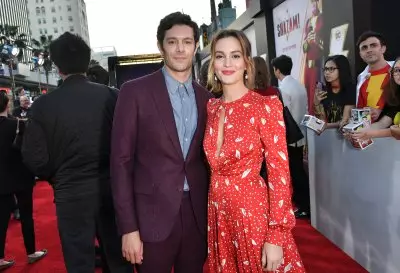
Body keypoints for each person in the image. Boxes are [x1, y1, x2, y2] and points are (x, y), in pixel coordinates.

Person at [21, 32, 132, 273]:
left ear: (58, 67)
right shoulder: (112, 96)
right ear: (86, 60)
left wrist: (58, 178)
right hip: (111, 189)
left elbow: (34, 158)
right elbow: (128, 145)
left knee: (79, 263)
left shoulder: (41, 107)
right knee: (118, 258)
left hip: (70, 194)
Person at [111, 12, 212, 273]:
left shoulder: (208, 99)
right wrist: (129, 228)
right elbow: (120, 163)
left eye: (187, 42)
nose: (180, 49)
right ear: (161, 46)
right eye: (172, 42)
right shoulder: (134, 92)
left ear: (196, 46)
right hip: (150, 218)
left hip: (197, 216)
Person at [204, 29, 304, 273]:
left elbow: (280, 173)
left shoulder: (265, 106)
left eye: (235, 56)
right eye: (220, 56)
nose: (227, 63)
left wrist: (276, 235)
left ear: (247, 63)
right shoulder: (212, 107)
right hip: (219, 212)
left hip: (253, 215)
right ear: (213, 64)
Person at [0, 92, 47, 271]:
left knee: (1, 219)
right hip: (22, 176)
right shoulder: (19, 124)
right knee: (27, 216)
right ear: (7, 104)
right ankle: (31, 252)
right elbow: (31, 148)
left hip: (1, 179)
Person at [271, 55, 310, 218]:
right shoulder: (299, 85)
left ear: (276, 70)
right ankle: (304, 204)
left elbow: (283, 116)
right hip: (301, 133)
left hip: (290, 136)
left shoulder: (283, 89)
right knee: (297, 170)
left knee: (296, 172)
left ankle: (304, 205)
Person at [353, 57, 400, 141]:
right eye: (396, 70)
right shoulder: (395, 96)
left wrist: (368, 134)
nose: (399, 73)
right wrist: (357, 131)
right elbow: (383, 123)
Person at [356, 31, 394, 121]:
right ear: (360, 54)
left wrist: (382, 111)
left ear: (383, 49)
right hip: (367, 132)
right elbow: (360, 111)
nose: (369, 50)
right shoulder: (361, 78)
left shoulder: (396, 70)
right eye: (364, 48)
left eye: (373, 45)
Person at [314, 55, 355, 131]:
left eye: (331, 69)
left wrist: (326, 125)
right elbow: (321, 120)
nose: (327, 73)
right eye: (325, 69)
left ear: (342, 69)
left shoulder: (350, 89)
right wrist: (317, 103)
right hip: (328, 134)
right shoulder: (324, 91)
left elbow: (345, 121)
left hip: (346, 135)